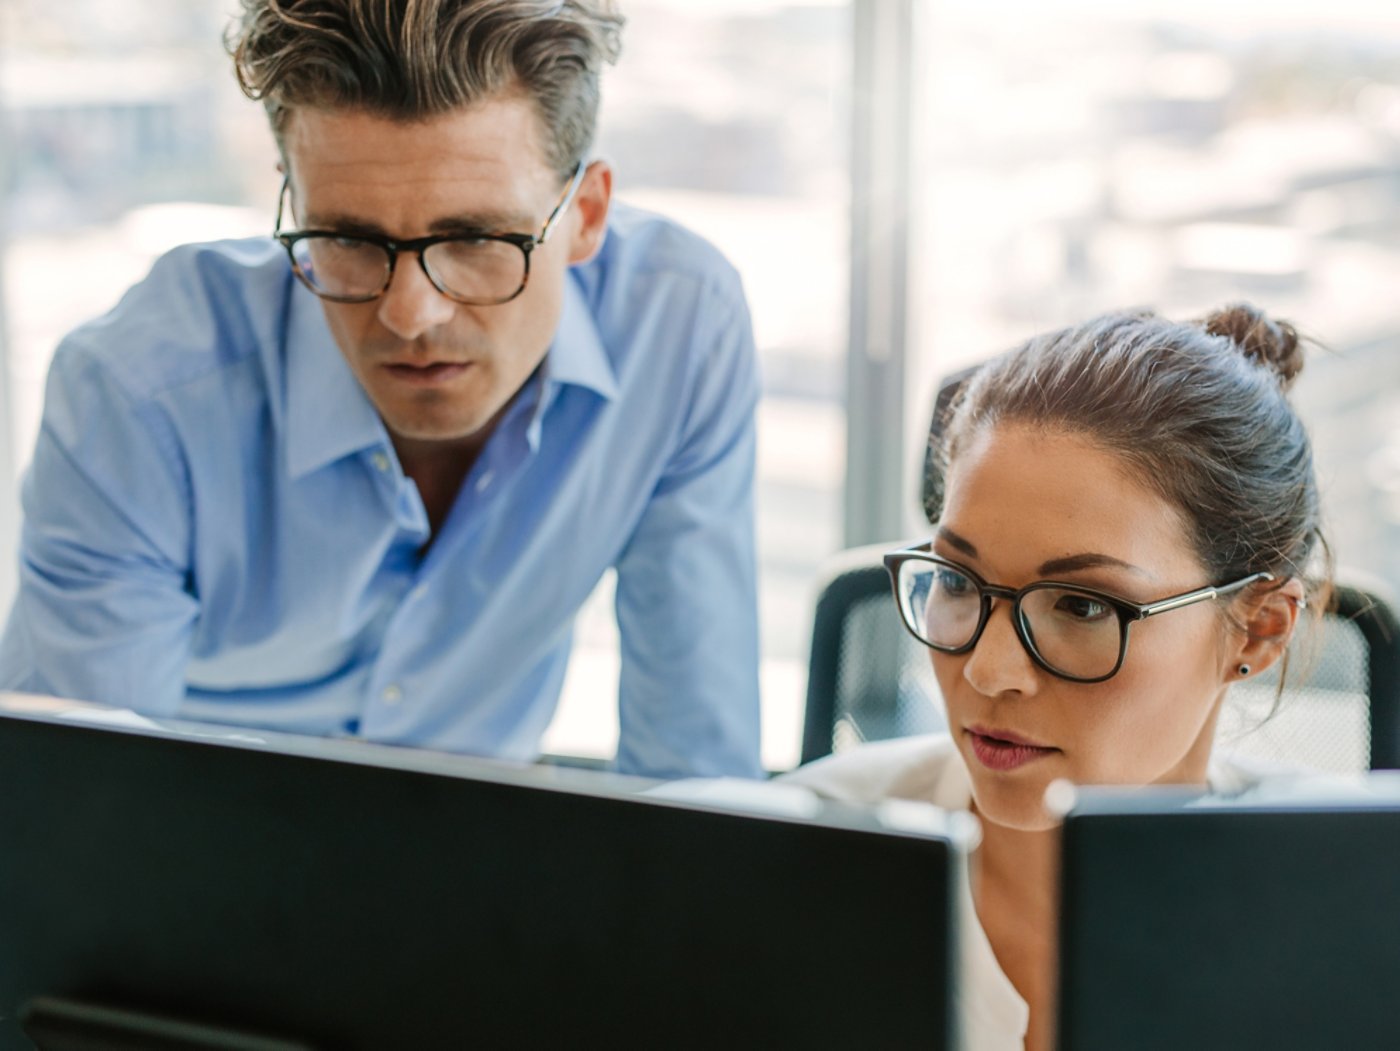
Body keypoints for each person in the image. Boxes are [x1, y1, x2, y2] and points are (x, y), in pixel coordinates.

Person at [0, 0, 763, 780]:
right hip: (190, 869)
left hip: (485, 869)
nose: (408, 315)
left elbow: (694, 770)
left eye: (475, 238)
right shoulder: (141, 393)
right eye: (349, 239)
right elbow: (79, 810)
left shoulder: (677, 328)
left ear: (587, 215)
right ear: (293, 200)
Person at [782, 303, 1325, 1050]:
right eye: (959, 581)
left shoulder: (1346, 911)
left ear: (1259, 629)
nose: (987, 668)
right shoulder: (789, 856)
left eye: (1081, 604)